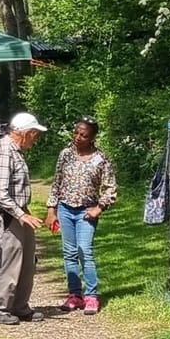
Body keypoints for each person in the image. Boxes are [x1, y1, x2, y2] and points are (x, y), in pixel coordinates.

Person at [52, 116, 119, 315]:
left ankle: (91, 295)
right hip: (65, 208)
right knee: (69, 253)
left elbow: (110, 188)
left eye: (84, 135)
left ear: (92, 138)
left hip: (86, 212)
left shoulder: (101, 159)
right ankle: (75, 295)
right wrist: (51, 210)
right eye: (77, 133)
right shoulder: (66, 155)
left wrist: (99, 208)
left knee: (85, 251)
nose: (78, 137)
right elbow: (57, 183)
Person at [0, 112, 49, 324]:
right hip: (9, 216)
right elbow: (0, 194)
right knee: (9, 263)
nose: (36, 139)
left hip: (20, 212)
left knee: (27, 263)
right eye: (35, 134)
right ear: (26, 133)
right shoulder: (4, 151)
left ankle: (20, 306)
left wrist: (26, 211)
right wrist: (21, 214)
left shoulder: (16, 151)